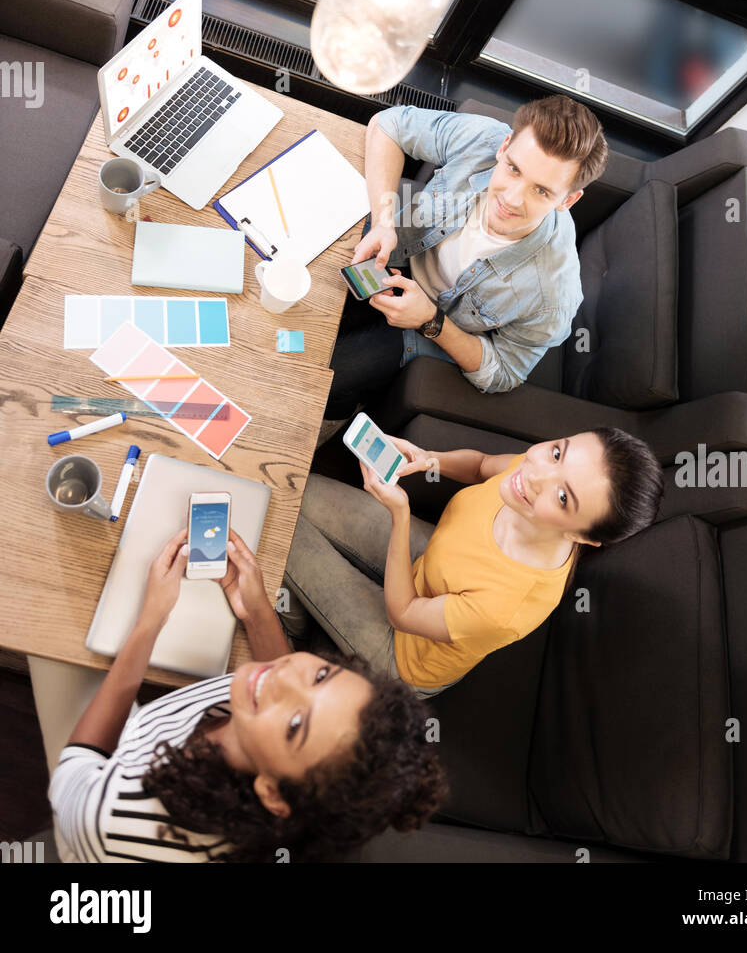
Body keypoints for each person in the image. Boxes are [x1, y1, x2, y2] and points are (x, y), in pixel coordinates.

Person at [49, 529, 445, 863]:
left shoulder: (115, 819)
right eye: (322, 675)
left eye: (295, 726)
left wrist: (150, 621)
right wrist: (255, 610)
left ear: (272, 792)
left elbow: (80, 761)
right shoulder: (265, 702)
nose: (282, 678)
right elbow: (284, 668)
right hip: (145, 729)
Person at [280, 427, 664, 697]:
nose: (535, 475)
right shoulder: (530, 474)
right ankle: (295, 601)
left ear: (582, 537)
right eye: (558, 452)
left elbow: (404, 612)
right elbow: (481, 465)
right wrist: (427, 458)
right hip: (431, 560)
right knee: (298, 488)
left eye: (563, 497)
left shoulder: (504, 608)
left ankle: (292, 618)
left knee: (279, 526)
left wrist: (399, 515)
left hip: (404, 648)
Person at [323, 95, 609, 423]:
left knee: (329, 372)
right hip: (398, 252)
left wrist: (430, 320)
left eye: (541, 191)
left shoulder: (555, 297)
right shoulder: (482, 138)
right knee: (307, 308)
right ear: (504, 147)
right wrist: (385, 222)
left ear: (568, 200)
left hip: (432, 327)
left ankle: (336, 412)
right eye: (513, 169)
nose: (512, 199)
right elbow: (388, 125)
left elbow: (503, 374)